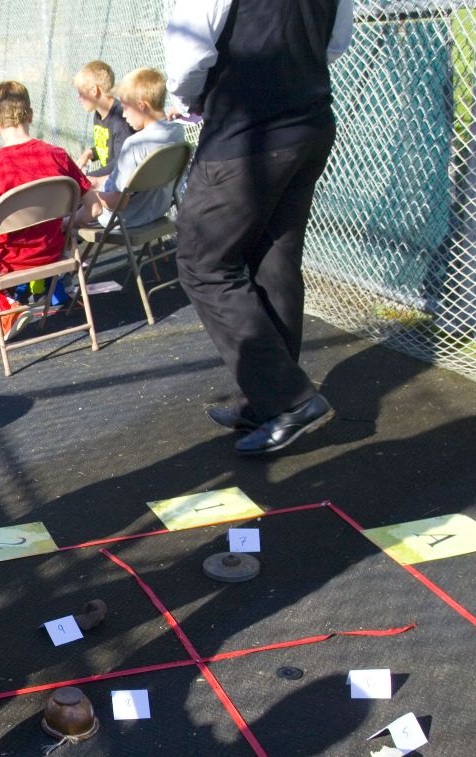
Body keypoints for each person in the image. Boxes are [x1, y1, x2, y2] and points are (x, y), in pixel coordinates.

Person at [167, 0, 353, 455]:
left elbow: (188, 54)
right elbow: (336, 42)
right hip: (308, 120)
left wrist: (190, 99)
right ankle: (270, 401)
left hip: (245, 133)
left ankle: (290, 400)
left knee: (202, 264)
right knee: (274, 258)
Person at [0, 82, 91, 338]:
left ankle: (6, 304)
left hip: (8, 264)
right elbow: (95, 208)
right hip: (53, 253)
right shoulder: (58, 156)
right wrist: (67, 223)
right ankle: (39, 298)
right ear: (30, 115)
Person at [72, 67, 188, 230]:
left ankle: (64, 228)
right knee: (93, 183)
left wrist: (90, 194)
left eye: (125, 108)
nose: (124, 115)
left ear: (141, 106)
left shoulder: (135, 144)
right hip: (158, 210)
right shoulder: (177, 132)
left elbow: (118, 201)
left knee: (78, 202)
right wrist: (97, 182)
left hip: (127, 218)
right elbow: (131, 181)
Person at [73, 60, 136, 186]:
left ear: (94, 91)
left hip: (120, 184)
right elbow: (106, 147)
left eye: (81, 93)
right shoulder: (98, 114)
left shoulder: (121, 118)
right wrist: (90, 153)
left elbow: (120, 161)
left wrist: (88, 177)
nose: (79, 98)